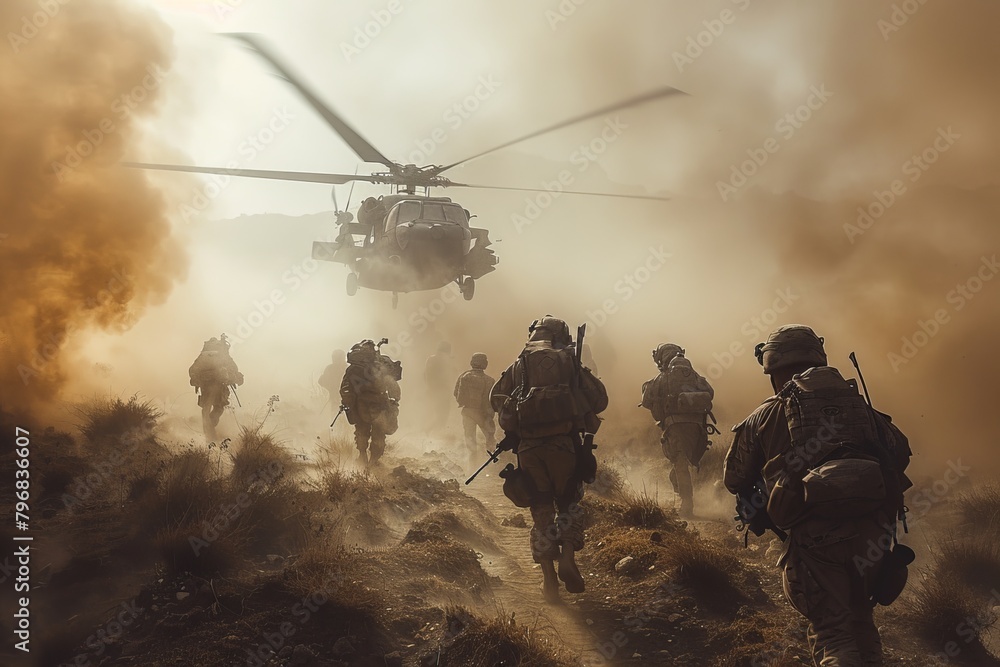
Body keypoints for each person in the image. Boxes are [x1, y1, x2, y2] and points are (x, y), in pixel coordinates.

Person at [724, 325, 912, 666]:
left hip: (816, 542)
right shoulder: (859, 407)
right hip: (874, 536)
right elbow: (900, 453)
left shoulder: (767, 413)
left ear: (773, 369)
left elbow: (734, 477)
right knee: (862, 624)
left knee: (834, 636)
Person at [490, 316, 608, 603]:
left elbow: (496, 398)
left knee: (541, 509)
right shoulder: (569, 361)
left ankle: (548, 578)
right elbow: (600, 400)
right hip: (564, 446)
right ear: (561, 335)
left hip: (529, 449)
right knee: (568, 502)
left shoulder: (520, 364)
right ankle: (568, 557)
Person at [640, 343, 715, 518]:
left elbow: (646, 400)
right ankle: (689, 497)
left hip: (675, 427)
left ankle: (687, 506)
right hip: (698, 429)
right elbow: (710, 392)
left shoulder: (662, 377)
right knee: (680, 467)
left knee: (680, 465)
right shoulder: (695, 376)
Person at [340, 339, 401, 467]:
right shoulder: (381, 367)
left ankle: (362, 456)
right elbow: (392, 385)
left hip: (360, 404)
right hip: (380, 404)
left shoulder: (353, 369)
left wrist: (348, 402)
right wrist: (395, 401)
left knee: (362, 430)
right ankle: (373, 461)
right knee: (379, 432)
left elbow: (346, 387)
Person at [188, 334, 244, 441]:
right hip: (220, 385)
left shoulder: (203, 356)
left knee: (205, 408)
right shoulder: (224, 355)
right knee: (219, 407)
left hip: (205, 385)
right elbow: (233, 369)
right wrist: (236, 378)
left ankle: (208, 433)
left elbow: (193, 369)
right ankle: (211, 429)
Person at [453, 353, 496, 455]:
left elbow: (456, 393)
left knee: (470, 442)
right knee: (490, 438)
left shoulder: (464, 376)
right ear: (485, 363)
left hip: (467, 412)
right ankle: (493, 461)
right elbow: (489, 401)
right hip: (483, 414)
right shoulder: (489, 380)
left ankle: (473, 464)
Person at [424, 341, 454, 431]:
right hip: (442, 389)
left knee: (437, 411)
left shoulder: (430, 359)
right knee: (443, 412)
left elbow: (426, 374)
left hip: (432, 389)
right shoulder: (446, 360)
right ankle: (433, 430)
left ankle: (433, 430)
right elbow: (449, 375)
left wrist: (429, 386)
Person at [319, 349, 346, 414]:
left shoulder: (347, 368)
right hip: (337, 397)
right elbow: (321, 381)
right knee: (336, 414)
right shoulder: (330, 369)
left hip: (345, 397)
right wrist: (330, 389)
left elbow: (321, 381)